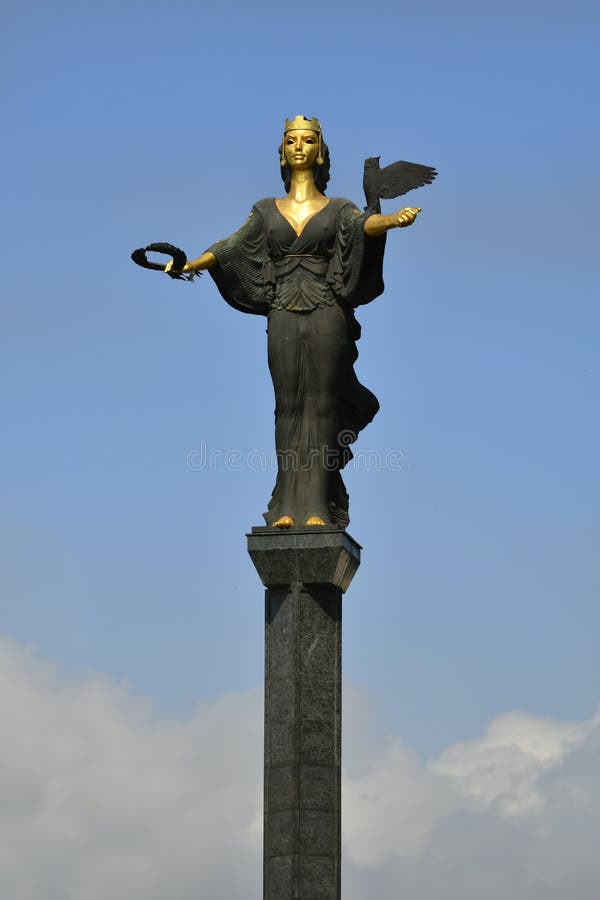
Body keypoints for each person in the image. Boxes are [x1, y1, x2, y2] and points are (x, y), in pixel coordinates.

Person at [166, 116, 420, 529]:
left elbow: (360, 227)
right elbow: (231, 246)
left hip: (327, 312)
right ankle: (286, 506)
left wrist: (391, 220)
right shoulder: (266, 211)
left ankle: (318, 506)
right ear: (282, 152)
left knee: (320, 407)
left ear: (320, 151)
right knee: (287, 407)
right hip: (282, 309)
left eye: (307, 140)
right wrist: (190, 264)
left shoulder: (338, 207)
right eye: (291, 141)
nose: (299, 146)